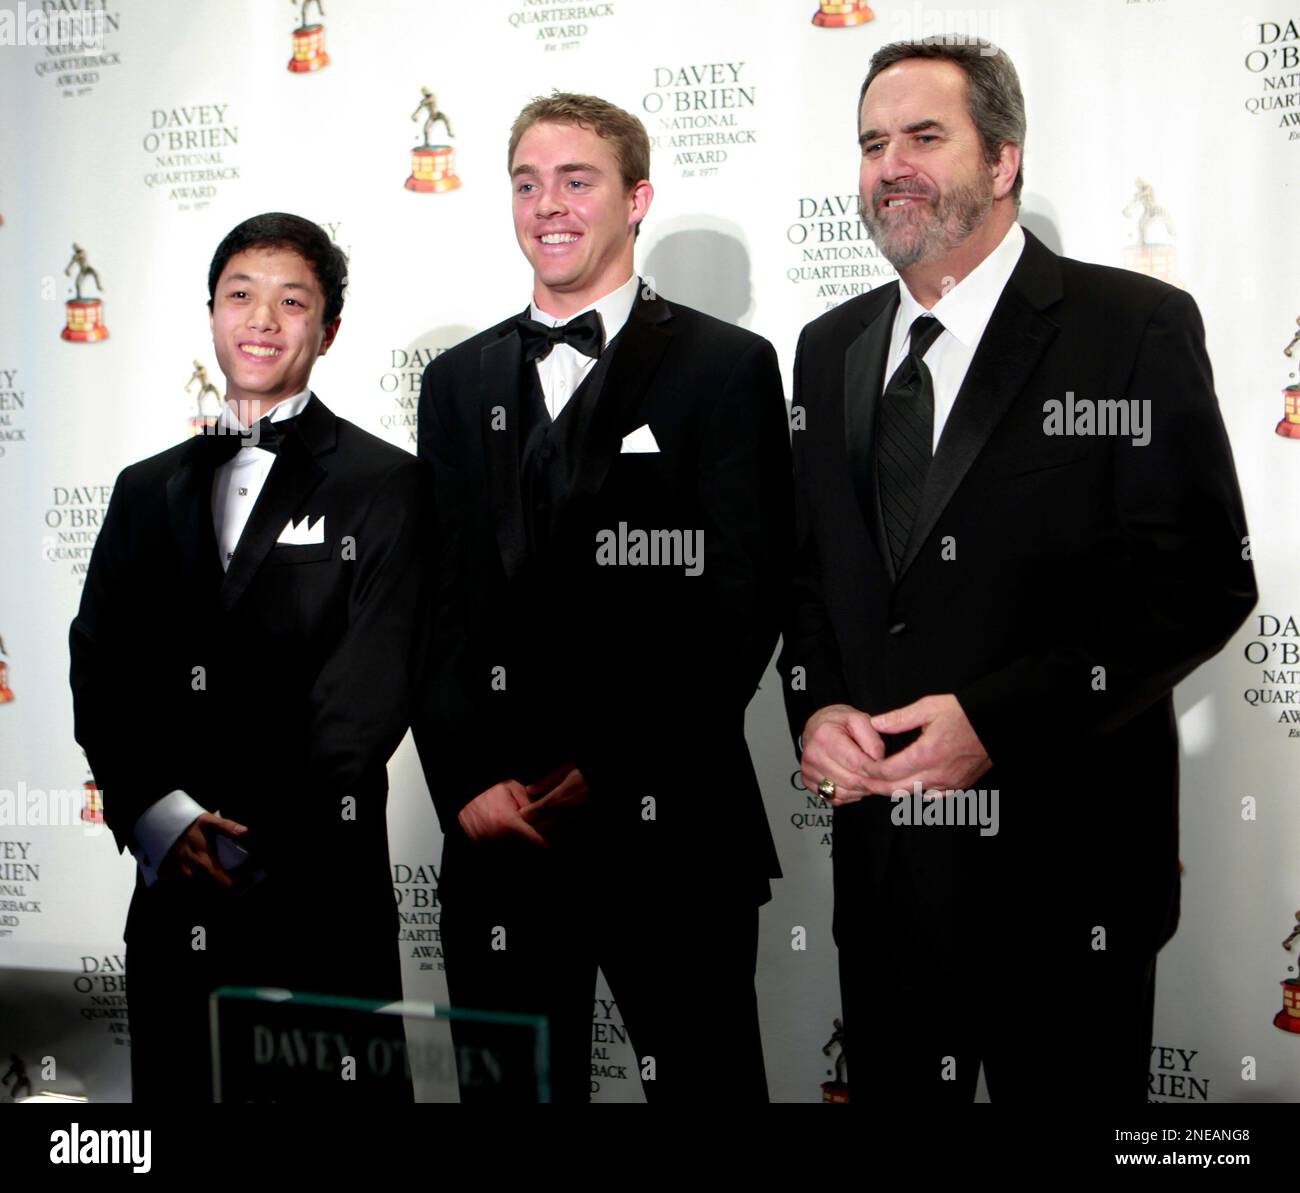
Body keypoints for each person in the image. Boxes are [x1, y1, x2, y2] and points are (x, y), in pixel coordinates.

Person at [780, 40, 1256, 1102]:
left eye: (923, 136)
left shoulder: (1129, 328)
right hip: (886, 876)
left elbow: (1200, 583)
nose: (889, 163)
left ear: (1002, 161)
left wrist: (995, 718)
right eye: (870, 142)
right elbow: (812, 577)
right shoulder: (828, 348)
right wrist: (814, 711)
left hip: (1065, 875)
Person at [415, 92, 791, 1103]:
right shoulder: (456, 381)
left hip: (669, 827)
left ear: (636, 198)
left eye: (576, 179)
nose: (548, 204)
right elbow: (437, 597)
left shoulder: (727, 368)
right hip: (499, 835)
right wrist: (464, 781)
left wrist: (613, 765)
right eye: (527, 182)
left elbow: (742, 599)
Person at [70, 213, 424, 1101]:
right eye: (240, 294)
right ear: (213, 314)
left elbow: (366, 692)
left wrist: (235, 834)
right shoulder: (145, 489)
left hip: (321, 894)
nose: (261, 318)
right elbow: (100, 665)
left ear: (329, 329)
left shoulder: (388, 484)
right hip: (175, 895)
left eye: (291, 299)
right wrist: (162, 813)